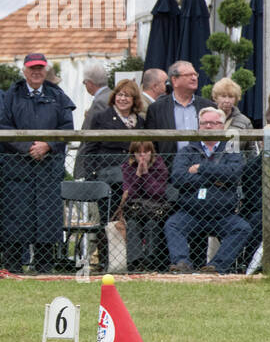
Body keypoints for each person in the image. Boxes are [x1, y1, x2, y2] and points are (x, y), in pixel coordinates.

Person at [0, 53, 76, 274]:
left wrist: (48, 145)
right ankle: (12, 267)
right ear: (24, 71)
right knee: (15, 217)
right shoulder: (11, 95)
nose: (36, 72)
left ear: (46, 69)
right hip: (17, 170)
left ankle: (45, 267)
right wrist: (28, 147)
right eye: (32, 68)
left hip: (48, 169)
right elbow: (3, 128)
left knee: (47, 218)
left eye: (40, 68)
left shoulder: (58, 96)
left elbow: (67, 128)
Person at [164, 107, 252, 274]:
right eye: (204, 123)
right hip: (191, 214)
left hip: (223, 215)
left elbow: (233, 175)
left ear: (222, 126)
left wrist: (201, 168)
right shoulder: (187, 151)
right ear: (199, 127)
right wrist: (216, 179)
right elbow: (178, 178)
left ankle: (216, 266)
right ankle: (182, 264)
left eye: (213, 123)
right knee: (173, 225)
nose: (209, 126)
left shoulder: (231, 150)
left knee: (242, 228)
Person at [77, 79, 143, 182]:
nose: (122, 99)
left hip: (134, 176)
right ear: (114, 96)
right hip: (107, 176)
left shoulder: (140, 122)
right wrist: (91, 176)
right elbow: (90, 150)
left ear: (134, 99)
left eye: (127, 96)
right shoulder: (101, 118)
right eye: (119, 95)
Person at [144, 60, 213, 159]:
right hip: (169, 168)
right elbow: (151, 143)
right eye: (188, 75)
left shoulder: (208, 106)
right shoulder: (156, 109)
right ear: (175, 80)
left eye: (195, 74)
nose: (194, 78)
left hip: (203, 167)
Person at [119, 140, 170, 272]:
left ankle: (151, 261)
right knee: (133, 225)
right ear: (133, 154)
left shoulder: (159, 165)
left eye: (146, 152)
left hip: (155, 210)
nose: (142, 156)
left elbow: (157, 193)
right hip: (135, 210)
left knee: (151, 225)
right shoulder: (127, 167)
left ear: (151, 153)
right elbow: (129, 193)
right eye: (138, 152)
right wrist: (137, 175)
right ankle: (135, 262)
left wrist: (146, 174)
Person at [81, 62, 111, 128]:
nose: (85, 85)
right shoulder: (112, 95)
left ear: (90, 83)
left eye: (84, 83)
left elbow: (92, 128)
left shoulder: (100, 102)